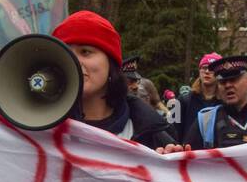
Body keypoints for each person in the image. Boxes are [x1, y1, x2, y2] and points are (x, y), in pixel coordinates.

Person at [50, 12, 177, 158]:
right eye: (64, 52)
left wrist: (171, 164)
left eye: (85, 52)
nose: (72, 61)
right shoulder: (37, 128)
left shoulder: (150, 132)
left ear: (111, 64)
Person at [181, 54, 247, 148]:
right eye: (222, 81)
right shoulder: (205, 121)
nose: (228, 85)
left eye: (234, 79)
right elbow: (185, 158)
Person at [179, 52, 222, 138]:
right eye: (204, 68)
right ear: (199, 71)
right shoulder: (182, 100)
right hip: (189, 149)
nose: (207, 71)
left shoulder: (225, 102)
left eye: (212, 69)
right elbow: (172, 129)